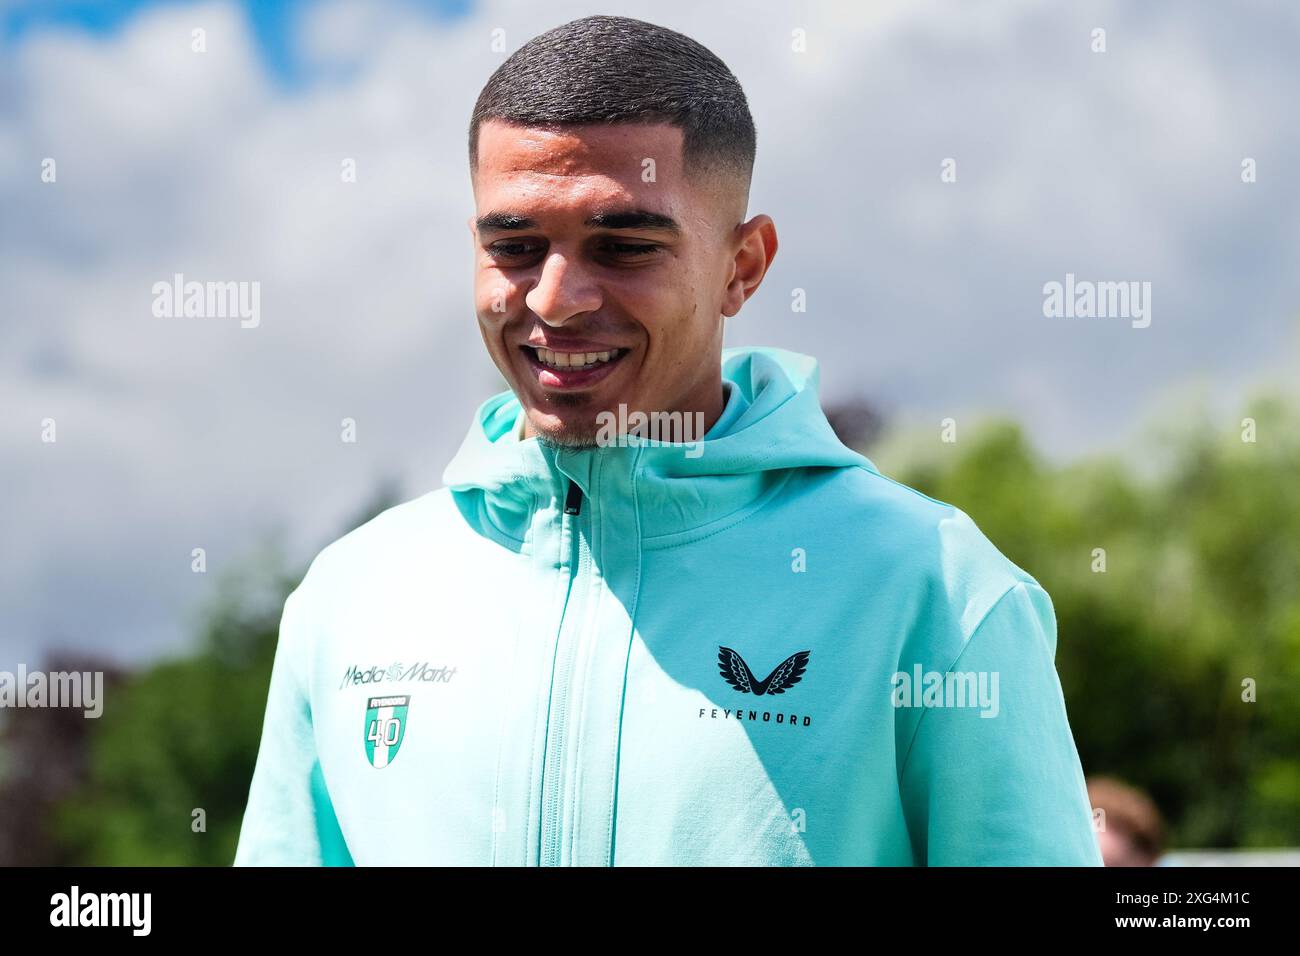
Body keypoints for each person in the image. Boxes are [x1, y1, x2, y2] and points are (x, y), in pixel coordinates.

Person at [234, 14, 1101, 866]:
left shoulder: (938, 591)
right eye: (517, 246)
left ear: (744, 266)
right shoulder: (349, 597)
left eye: (622, 245)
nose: (555, 297)